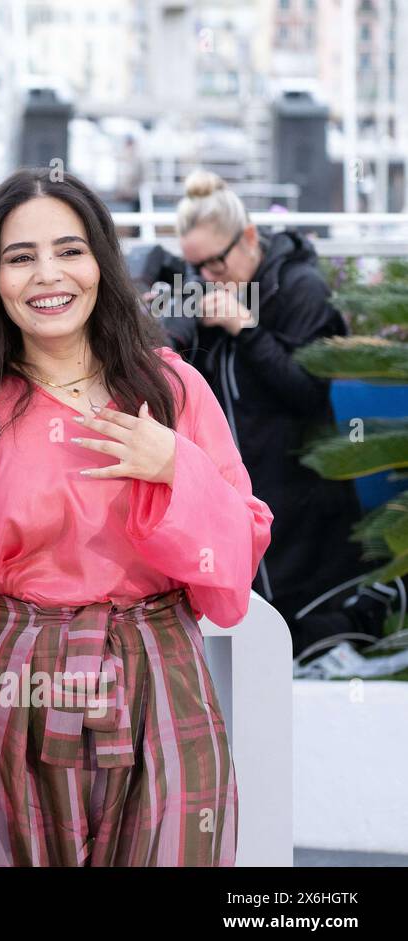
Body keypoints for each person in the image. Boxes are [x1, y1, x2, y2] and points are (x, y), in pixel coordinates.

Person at [0, 169, 273, 867]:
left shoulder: (173, 389)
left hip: (162, 673)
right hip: (13, 689)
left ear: (102, 263)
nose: (47, 275)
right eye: (20, 257)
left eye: (69, 250)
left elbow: (234, 573)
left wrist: (176, 468)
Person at [169, 170, 371, 652]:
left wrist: (247, 329)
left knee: (304, 625)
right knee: (251, 627)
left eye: (216, 264)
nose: (208, 278)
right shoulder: (211, 289)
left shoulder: (302, 289)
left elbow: (308, 392)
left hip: (303, 489)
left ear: (250, 238)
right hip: (247, 484)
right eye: (197, 268)